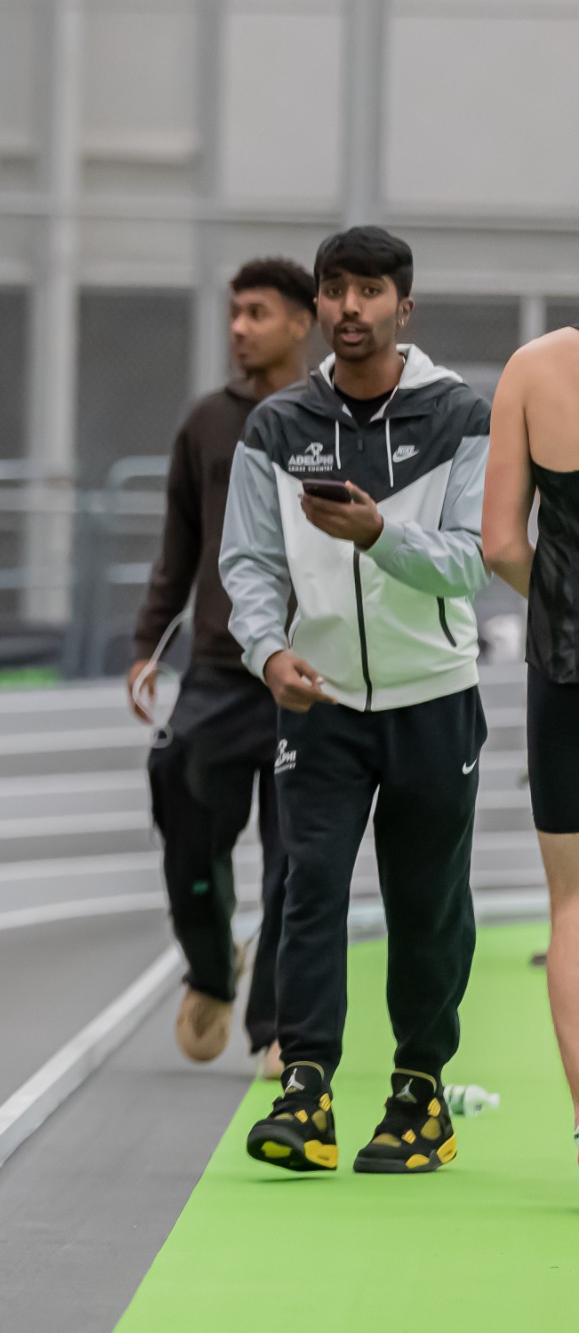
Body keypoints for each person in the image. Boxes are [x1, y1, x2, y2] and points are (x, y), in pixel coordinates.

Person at [221, 226, 490, 1175]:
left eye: (369, 290)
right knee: (307, 893)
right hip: (321, 700)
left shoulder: (461, 414)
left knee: (426, 904)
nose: (348, 307)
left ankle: (419, 1093)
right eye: (335, 289)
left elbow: (472, 561)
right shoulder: (279, 426)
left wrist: (380, 534)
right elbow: (249, 560)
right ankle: (307, 1089)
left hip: (433, 698)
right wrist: (266, 651)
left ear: (402, 308)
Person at [129, 258, 316, 1078]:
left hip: (307, 674)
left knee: (294, 859)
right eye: (234, 313)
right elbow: (179, 543)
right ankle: (211, 964)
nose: (239, 327)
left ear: (301, 323)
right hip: (214, 667)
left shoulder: (334, 419)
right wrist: (146, 642)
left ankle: (275, 1022)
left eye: (257, 313)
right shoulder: (206, 421)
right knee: (182, 816)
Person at [482, 322, 579, 1161]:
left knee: (574, 908)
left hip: (567, 666)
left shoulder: (535, 368)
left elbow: (502, 543)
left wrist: (555, 594)